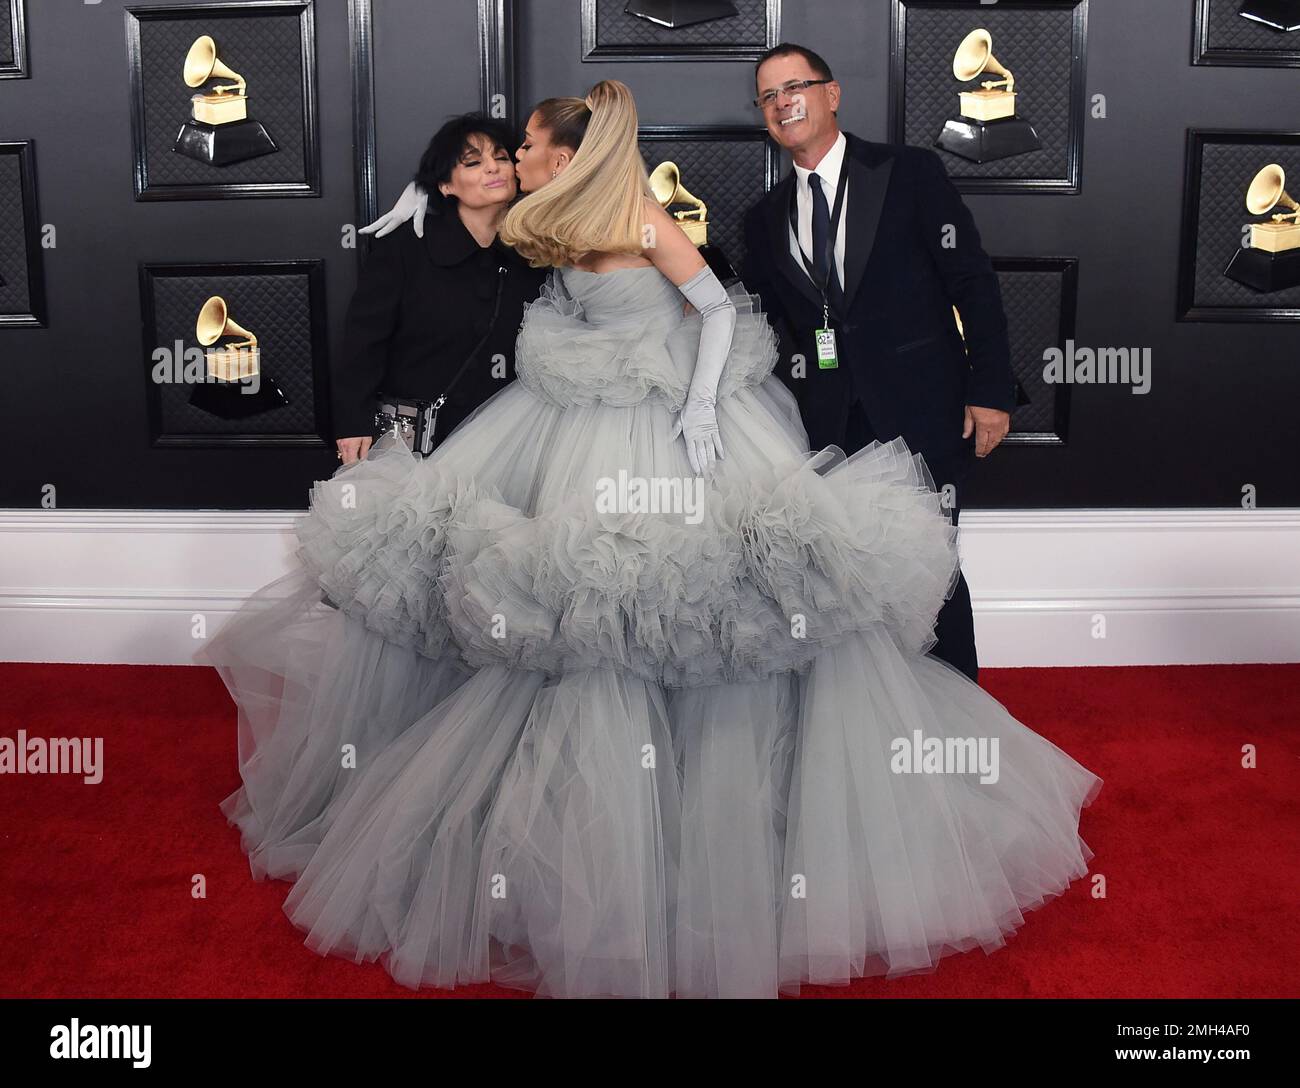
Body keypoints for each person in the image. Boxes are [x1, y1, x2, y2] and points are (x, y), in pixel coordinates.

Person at [199, 79, 1101, 999]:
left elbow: (713, 307)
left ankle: (699, 843)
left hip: (671, 425)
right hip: (571, 425)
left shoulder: (635, 213)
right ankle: (590, 834)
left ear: (572, 152)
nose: (522, 159)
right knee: (575, 607)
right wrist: (420, 204)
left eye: (536, 146)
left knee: (680, 603)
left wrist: (703, 405)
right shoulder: (551, 215)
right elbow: (473, 225)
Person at [742, 43, 1016, 684]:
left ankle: (957, 718)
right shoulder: (763, 219)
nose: (784, 103)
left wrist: (992, 389)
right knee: (845, 575)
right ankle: (868, 716)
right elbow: (761, 318)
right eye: (769, 96)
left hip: (923, 405)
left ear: (831, 94)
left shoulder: (909, 173)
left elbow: (972, 282)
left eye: (796, 86)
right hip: (827, 424)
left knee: (932, 570)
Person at [334, 114, 546, 465]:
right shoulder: (406, 247)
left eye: (502, 158)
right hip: (418, 439)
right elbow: (364, 341)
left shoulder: (536, 251)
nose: (493, 168)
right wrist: (352, 421)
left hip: (510, 439)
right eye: (474, 163)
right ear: (446, 186)